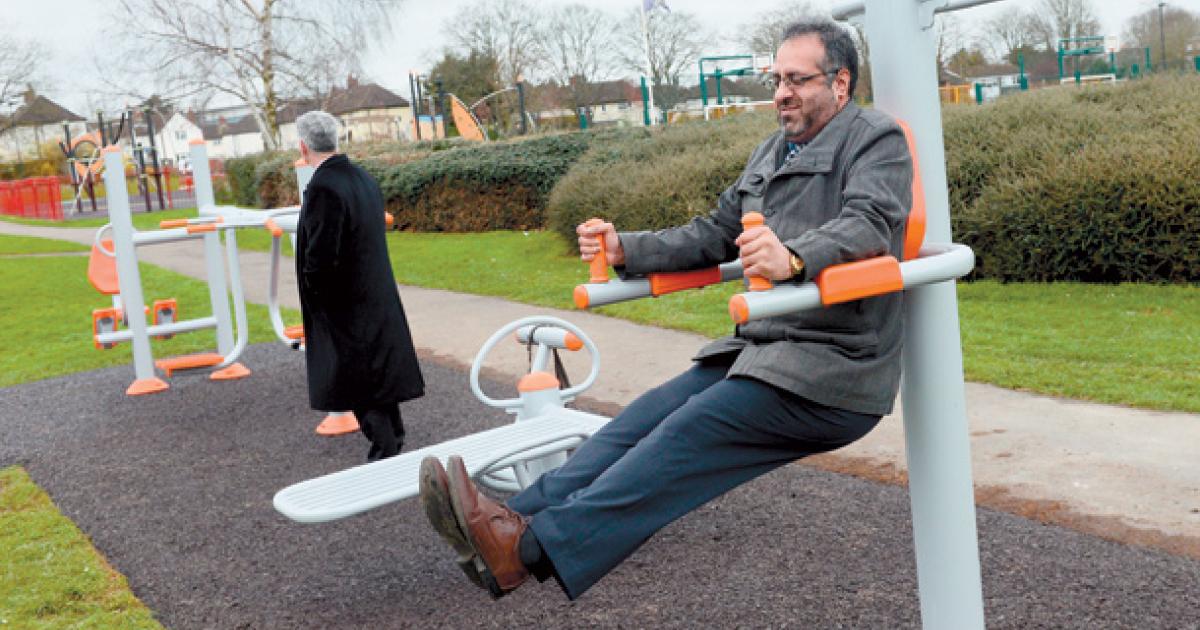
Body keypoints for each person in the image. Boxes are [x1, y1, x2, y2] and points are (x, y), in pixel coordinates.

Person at [420, 18, 914, 600]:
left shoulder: (874, 139)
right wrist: (625, 249)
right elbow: (715, 233)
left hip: (834, 366)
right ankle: (509, 518)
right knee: (640, 421)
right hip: (761, 353)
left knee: (684, 433)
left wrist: (794, 257)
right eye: (778, 79)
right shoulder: (771, 151)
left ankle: (522, 551)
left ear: (840, 82)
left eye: (797, 79)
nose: (782, 92)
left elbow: (870, 224)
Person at [294, 111, 424, 462]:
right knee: (377, 378)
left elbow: (321, 256)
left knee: (358, 382)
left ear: (303, 147)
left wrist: (316, 296)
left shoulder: (323, 187)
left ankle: (385, 452)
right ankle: (392, 443)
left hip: (345, 303)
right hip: (374, 291)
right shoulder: (362, 178)